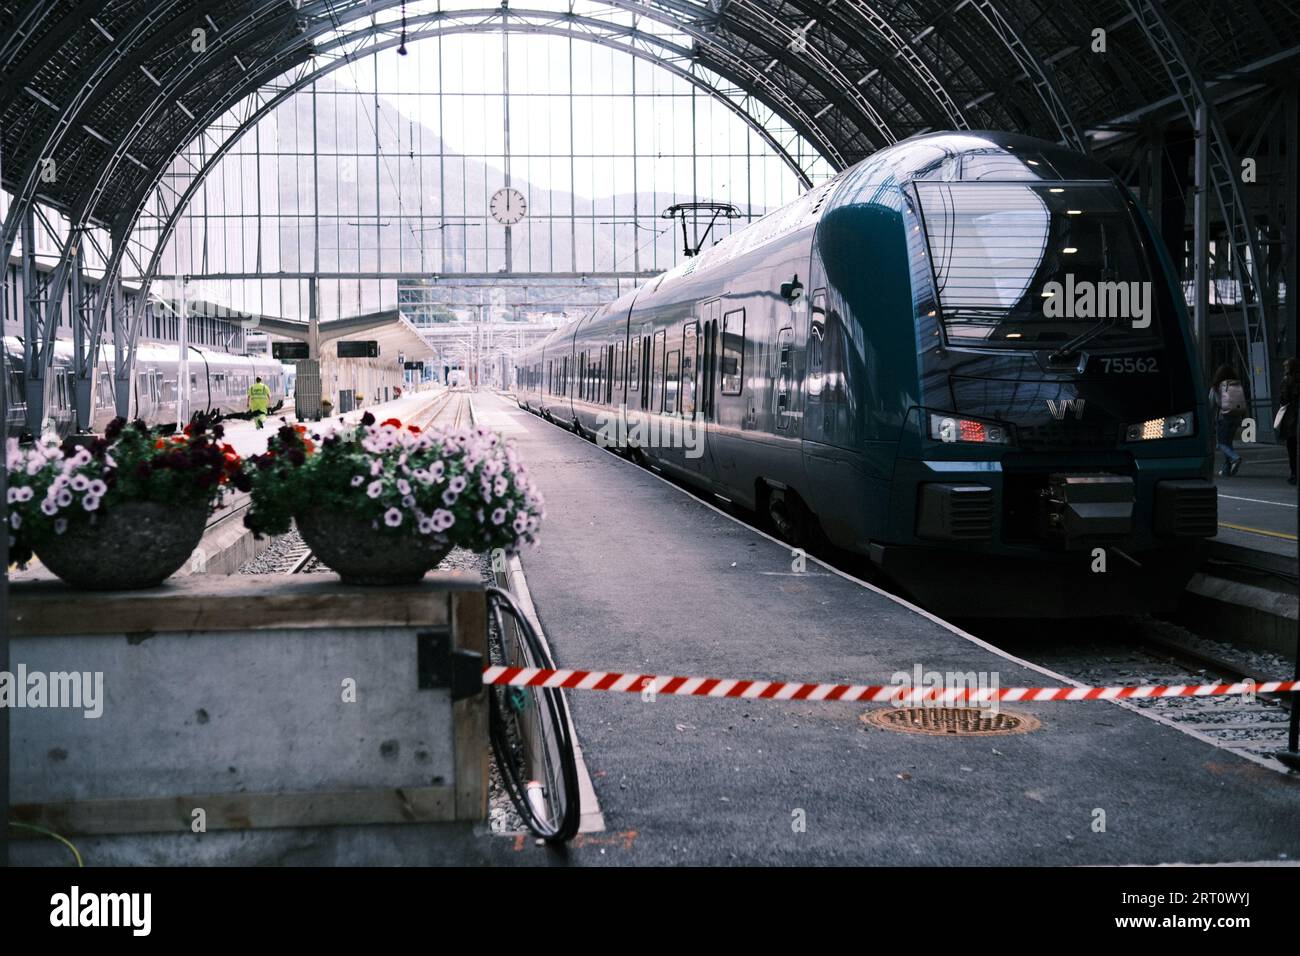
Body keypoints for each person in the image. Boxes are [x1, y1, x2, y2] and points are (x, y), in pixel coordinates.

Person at [1209, 363, 1247, 477]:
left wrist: (1209, 421)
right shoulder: (1237, 386)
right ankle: (1226, 469)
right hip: (1236, 417)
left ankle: (1235, 458)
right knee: (1228, 443)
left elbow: (1211, 405)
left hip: (1223, 418)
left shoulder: (1216, 387)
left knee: (1221, 444)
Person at [1279, 357, 1298, 484]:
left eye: (1286, 367)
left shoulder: (1287, 380)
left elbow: (1284, 398)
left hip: (1292, 419)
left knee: (1292, 448)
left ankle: (1294, 473)